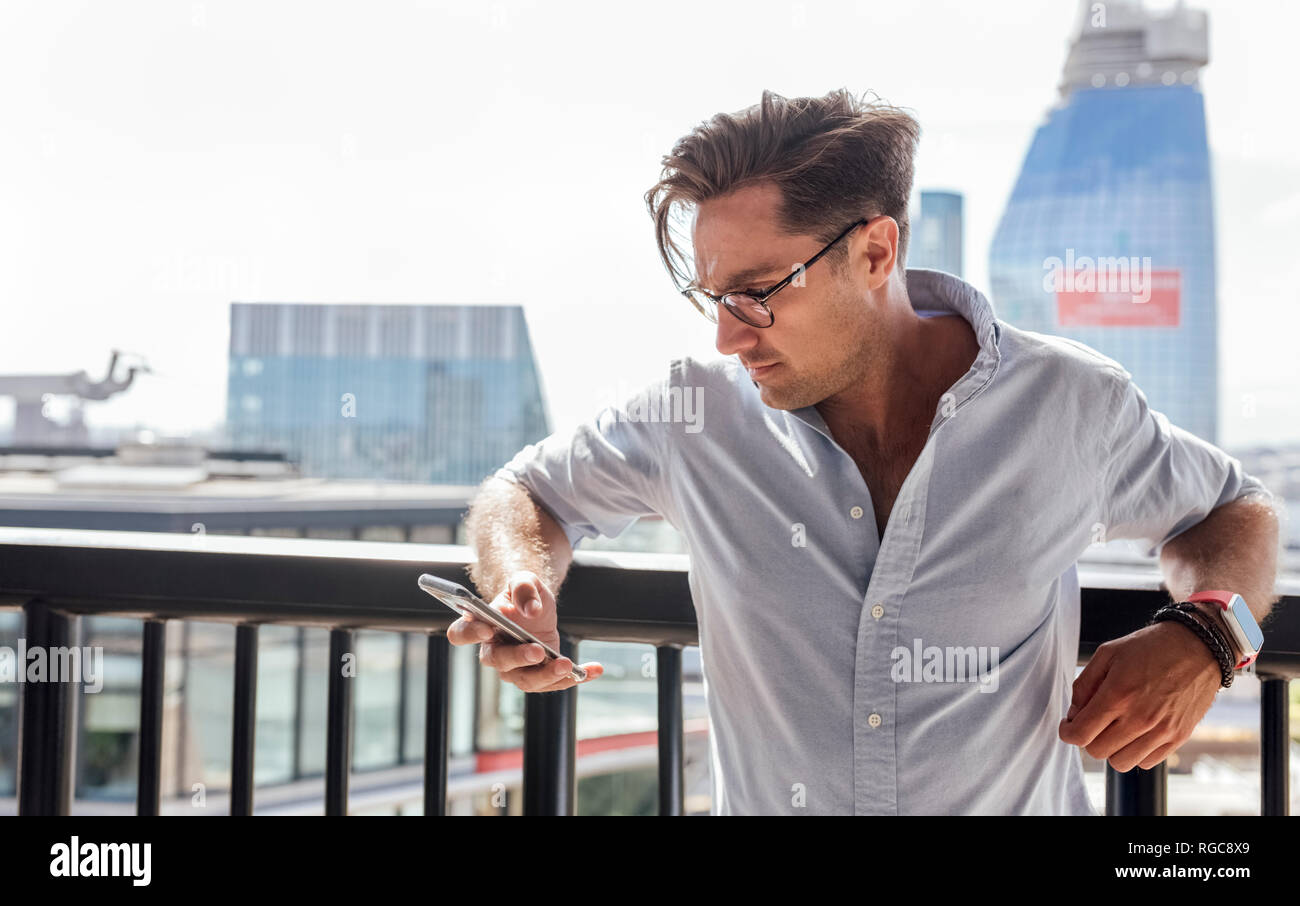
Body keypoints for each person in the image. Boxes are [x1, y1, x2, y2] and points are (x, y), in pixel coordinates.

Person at [450, 88, 1280, 815]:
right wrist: (521, 580)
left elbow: (1233, 512)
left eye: (759, 292)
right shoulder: (694, 413)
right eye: (714, 296)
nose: (728, 335)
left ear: (875, 253)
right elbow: (526, 492)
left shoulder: (1070, 403)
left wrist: (1207, 636)